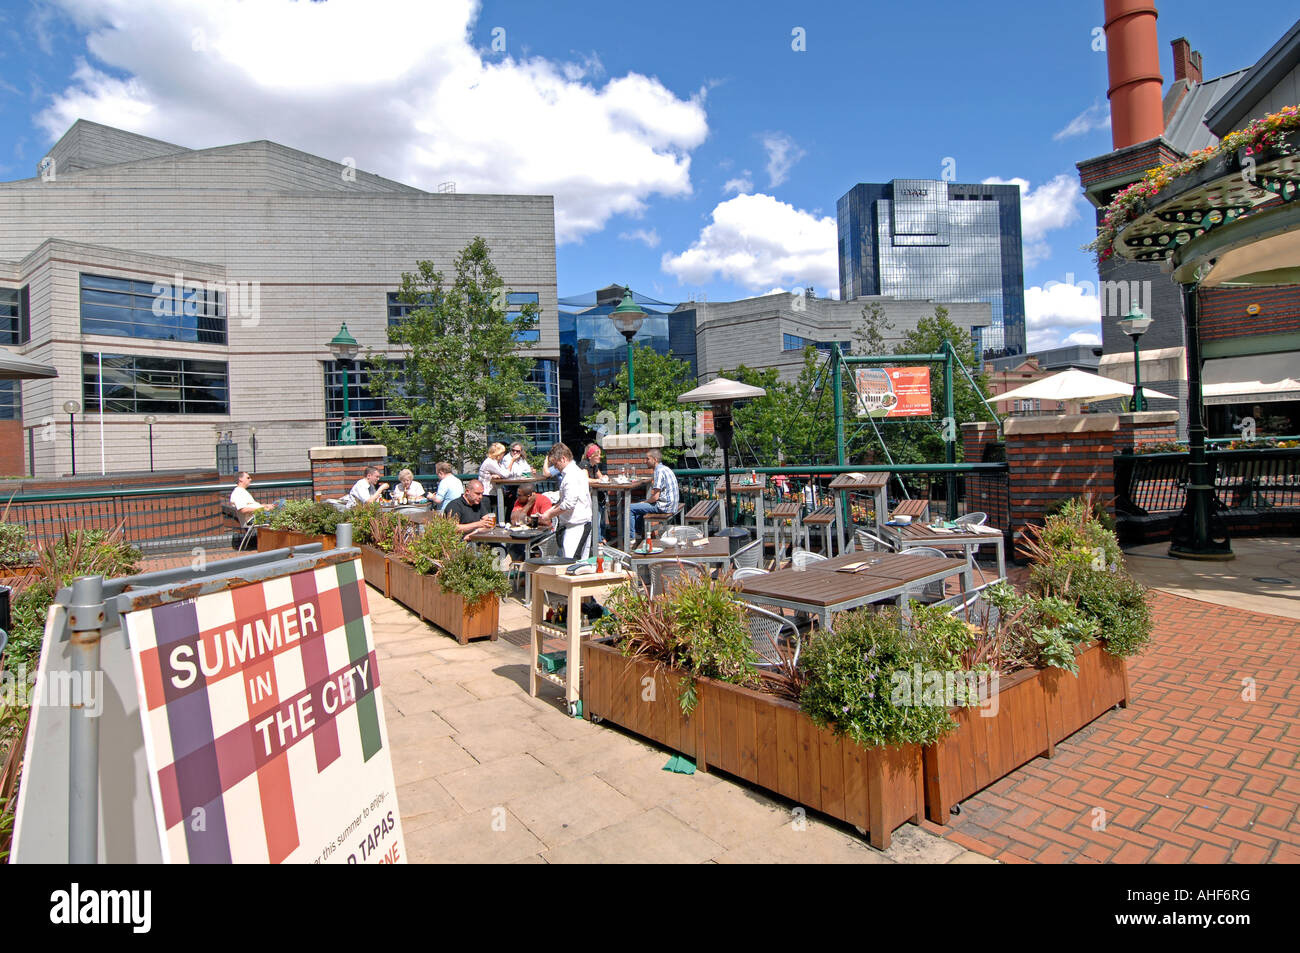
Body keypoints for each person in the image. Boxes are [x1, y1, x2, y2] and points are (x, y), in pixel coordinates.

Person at [546, 442, 592, 558]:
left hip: (577, 525)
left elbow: (568, 504)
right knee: (573, 562)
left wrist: (549, 514)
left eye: (555, 463)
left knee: (573, 563)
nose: (555, 467)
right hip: (574, 524)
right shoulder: (572, 473)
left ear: (563, 458)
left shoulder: (572, 475)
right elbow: (565, 501)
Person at [630, 448, 679, 541]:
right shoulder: (665, 468)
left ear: (655, 459)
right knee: (640, 505)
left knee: (630, 508)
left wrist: (644, 501)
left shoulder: (658, 471)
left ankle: (631, 539)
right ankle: (639, 534)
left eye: (648, 459)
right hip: (672, 505)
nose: (645, 461)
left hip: (665, 507)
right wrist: (643, 502)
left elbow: (655, 498)